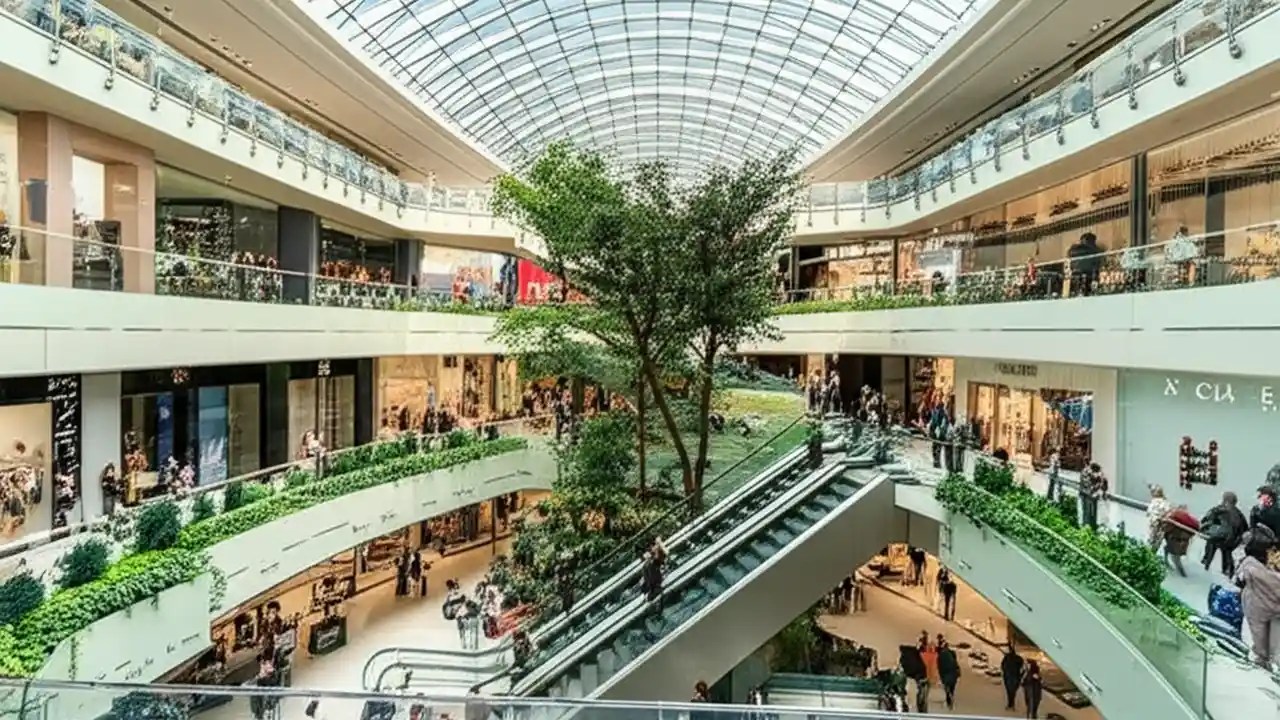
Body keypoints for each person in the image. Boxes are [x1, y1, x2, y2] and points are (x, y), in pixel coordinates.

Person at [1234, 535, 1280, 669]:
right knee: (1275, 646)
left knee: (1260, 638)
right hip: (1272, 610)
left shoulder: (1250, 566)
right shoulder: (1257, 568)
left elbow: (1239, 579)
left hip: (1257, 607)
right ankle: (1266, 659)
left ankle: (1262, 659)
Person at [1202, 491, 1249, 576]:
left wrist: (1208, 530)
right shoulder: (1239, 514)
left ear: (1225, 500)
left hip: (1216, 538)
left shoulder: (1217, 509)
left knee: (1210, 548)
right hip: (1230, 541)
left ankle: (1205, 564)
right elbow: (1245, 530)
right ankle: (1228, 571)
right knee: (1227, 555)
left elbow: (1206, 520)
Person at [1163, 505, 1199, 578]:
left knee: (1175, 557)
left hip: (1175, 540)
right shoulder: (1190, 522)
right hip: (1183, 541)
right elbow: (1193, 532)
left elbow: (1167, 529)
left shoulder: (1174, 517)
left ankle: (1182, 574)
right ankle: (1167, 562)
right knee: (1174, 555)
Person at [1067, 231, 1102, 296]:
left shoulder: (1077, 249)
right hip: (1087, 273)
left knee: (1080, 290)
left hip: (1082, 273)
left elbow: (1070, 253)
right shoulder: (1095, 250)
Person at [1079, 462, 1107, 529]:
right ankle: (1086, 527)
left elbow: (1104, 485)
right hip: (1086, 495)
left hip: (1093, 497)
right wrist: (1098, 485)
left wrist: (1101, 480)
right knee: (1087, 513)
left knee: (1093, 514)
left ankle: (1092, 526)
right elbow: (1088, 486)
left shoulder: (1098, 474)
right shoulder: (1085, 472)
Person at [1146, 485, 1173, 551]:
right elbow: (1169, 513)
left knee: (1150, 540)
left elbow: (1149, 513)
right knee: (1157, 542)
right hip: (1162, 525)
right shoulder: (1166, 502)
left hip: (1155, 523)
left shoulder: (1154, 502)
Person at [937, 637, 960, 710]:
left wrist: (941, 677)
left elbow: (939, 667)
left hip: (946, 674)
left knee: (947, 687)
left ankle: (948, 699)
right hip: (953, 673)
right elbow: (956, 663)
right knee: (952, 687)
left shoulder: (940, 655)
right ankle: (951, 696)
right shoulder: (952, 653)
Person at [1000, 645, 1024, 711]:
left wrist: (1005, 671)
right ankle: (1011, 704)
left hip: (1008, 677)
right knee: (1013, 691)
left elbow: (1002, 666)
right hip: (1016, 677)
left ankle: (1010, 704)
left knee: (1009, 691)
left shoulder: (1006, 658)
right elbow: (1022, 666)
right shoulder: (1019, 658)